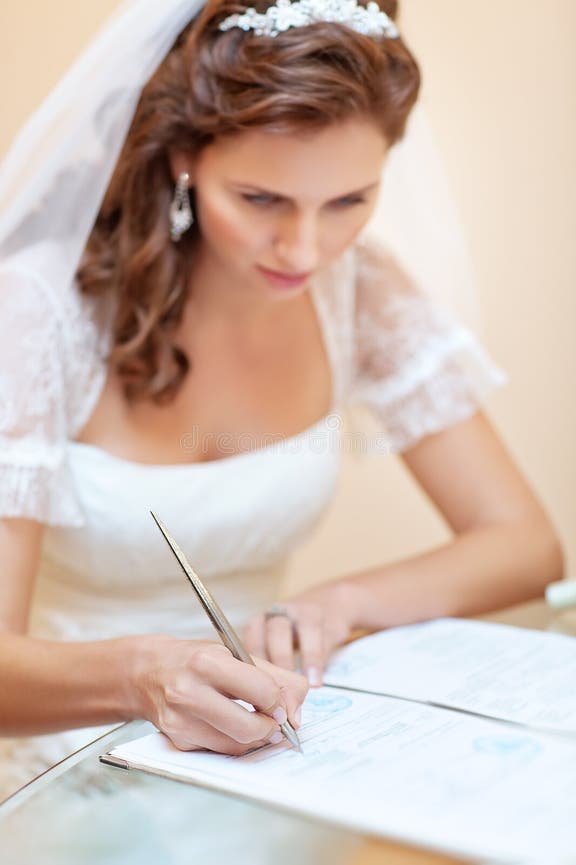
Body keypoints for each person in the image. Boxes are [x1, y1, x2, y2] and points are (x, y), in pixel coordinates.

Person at [0, 0, 562, 802]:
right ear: (184, 157)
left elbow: (526, 544)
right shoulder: (36, 310)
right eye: (261, 199)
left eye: (349, 201)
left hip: (272, 764)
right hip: (68, 783)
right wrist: (139, 674)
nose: (306, 250)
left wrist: (342, 601)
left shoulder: (357, 287)